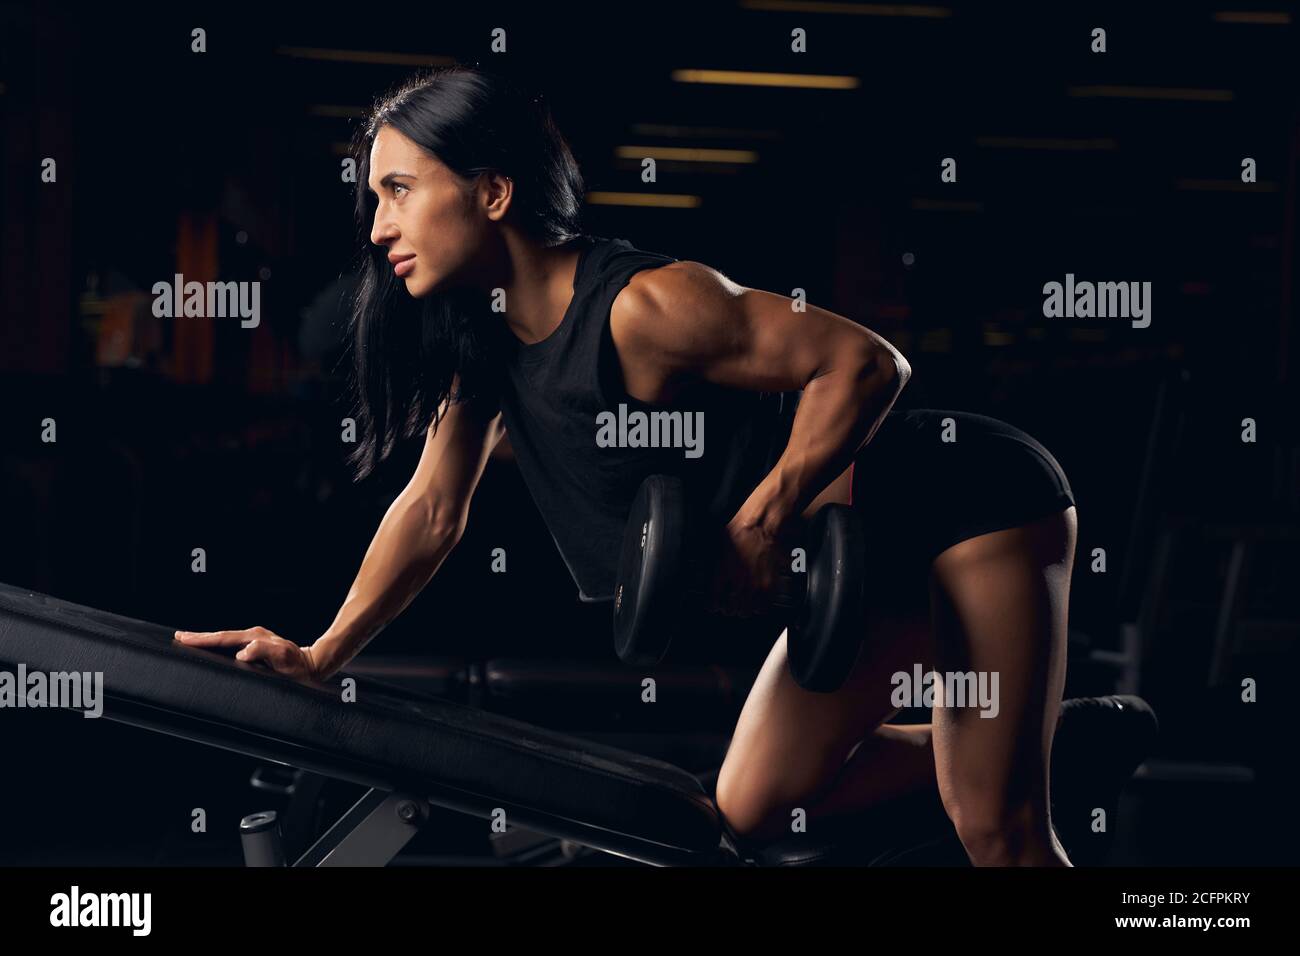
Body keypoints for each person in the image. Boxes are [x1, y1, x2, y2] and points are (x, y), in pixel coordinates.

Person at [176, 66, 1079, 866]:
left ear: (491, 191)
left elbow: (866, 362)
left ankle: (1006, 761)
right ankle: (1024, 741)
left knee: (999, 835)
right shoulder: (487, 350)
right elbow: (432, 508)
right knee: (751, 809)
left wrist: (762, 520)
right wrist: (323, 654)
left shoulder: (643, 307)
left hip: (963, 502)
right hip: (862, 562)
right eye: (375, 199)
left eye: (400, 191)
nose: (378, 228)